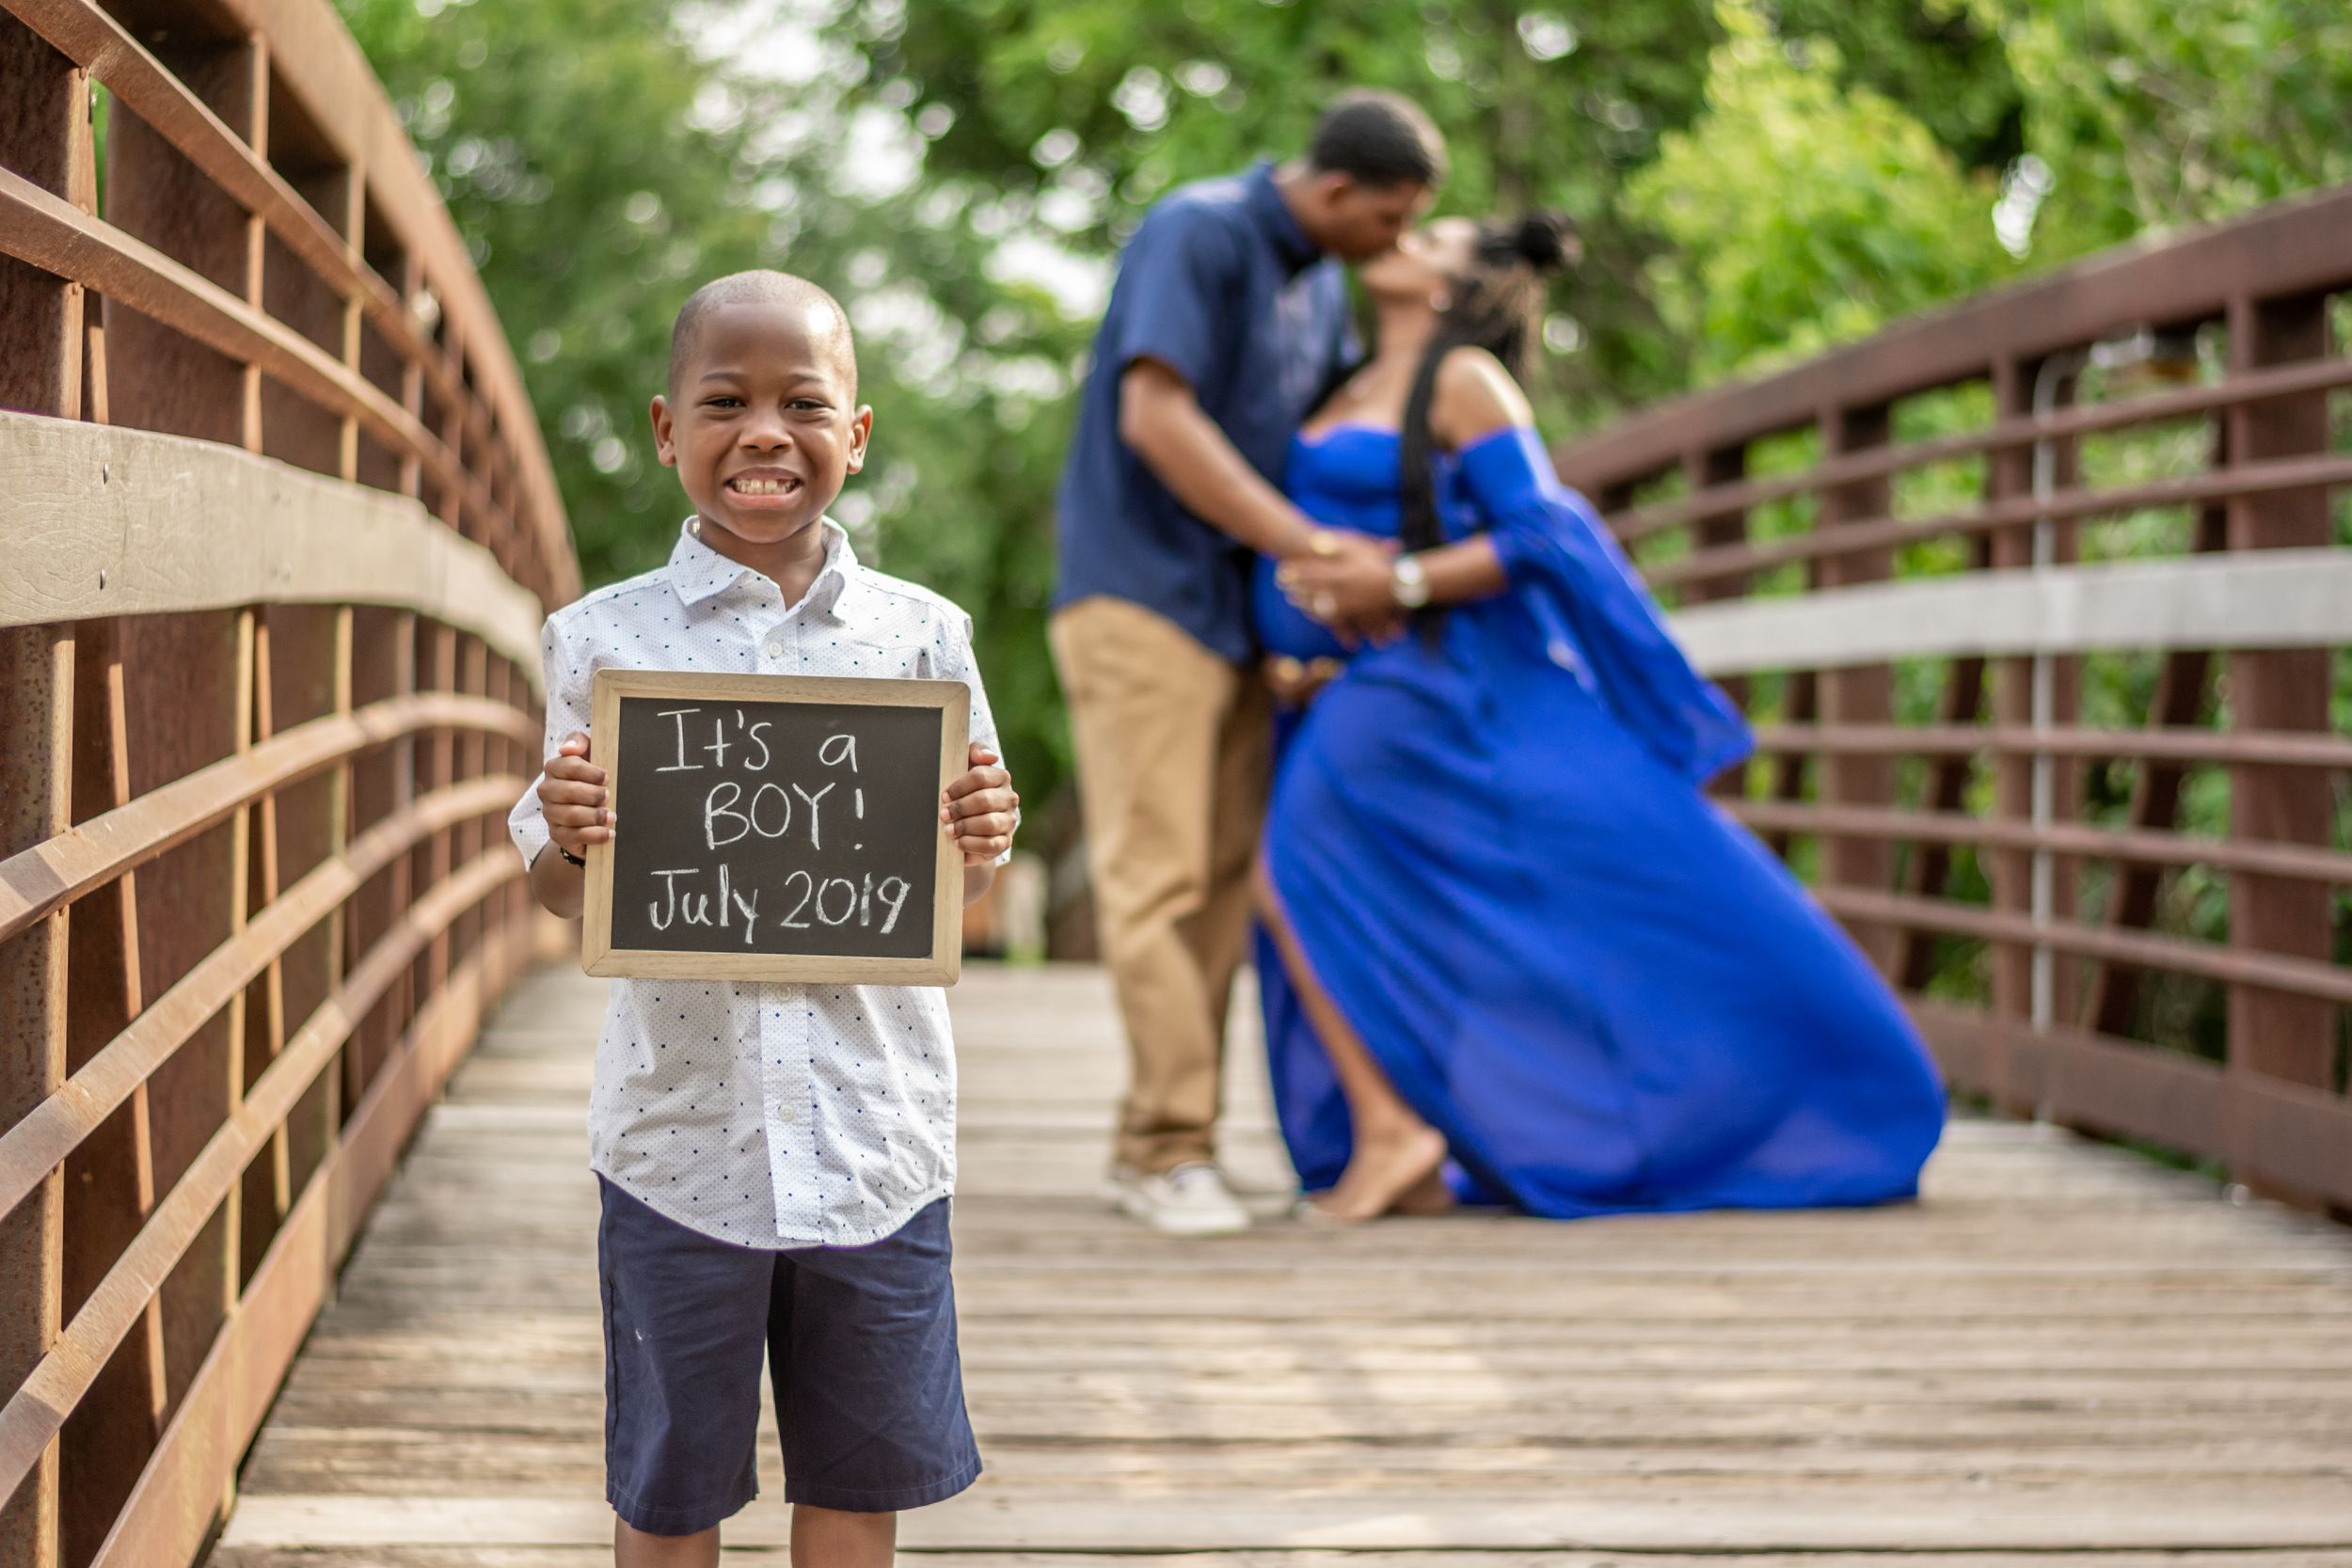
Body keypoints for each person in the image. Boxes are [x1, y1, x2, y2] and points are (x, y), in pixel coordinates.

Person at [1256, 217, 1947, 1222]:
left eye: (1435, 234)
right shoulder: (1342, 382)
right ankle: (1407, 1122)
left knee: (1286, 877)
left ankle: (1396, 1128)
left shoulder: (1465, 384)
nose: (1408, 234)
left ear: (1462, 287)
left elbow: (1542, 532)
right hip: (1355, 687)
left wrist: (1399, 577)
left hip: (1439, 682)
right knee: (1335, 889)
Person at [507, 271, 1022, 1568]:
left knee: (859, 1473)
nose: (764, 433)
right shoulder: (599, 637)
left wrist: (985, 843)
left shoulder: (923, 638)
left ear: (855, 434)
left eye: (804, 403)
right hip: (681, 1138)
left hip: (876, 1135)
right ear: (666, 427)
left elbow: (971, 899)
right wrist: (569, 826)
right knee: (671, 1487)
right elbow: (564, 893)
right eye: (724, 401)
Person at [1051, 89, 1446, 1236]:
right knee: (1160, 878)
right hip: (1138, 598)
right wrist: (1308, 547)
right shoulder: (1201, 228)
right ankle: (1161, 1152)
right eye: (1390, 219)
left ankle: (1176, 1144)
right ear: (1333, 193)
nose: (1400, 245)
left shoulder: (1320, 283)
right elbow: (1154, 415)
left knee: (1224, 883)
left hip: (1230, 618)